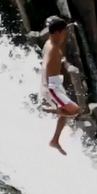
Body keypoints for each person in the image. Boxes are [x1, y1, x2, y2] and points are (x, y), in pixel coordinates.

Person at [41, 16, 79, 154]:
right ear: (58, 32)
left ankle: (55, 140)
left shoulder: (50, 44)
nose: (65, 35)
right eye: (64, 32)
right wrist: (49, 90)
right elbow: (46, 69)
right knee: (75, 110)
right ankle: (47, 110)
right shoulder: (53, 49)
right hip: (53, 87)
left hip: (57, 84)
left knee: (64, 114)